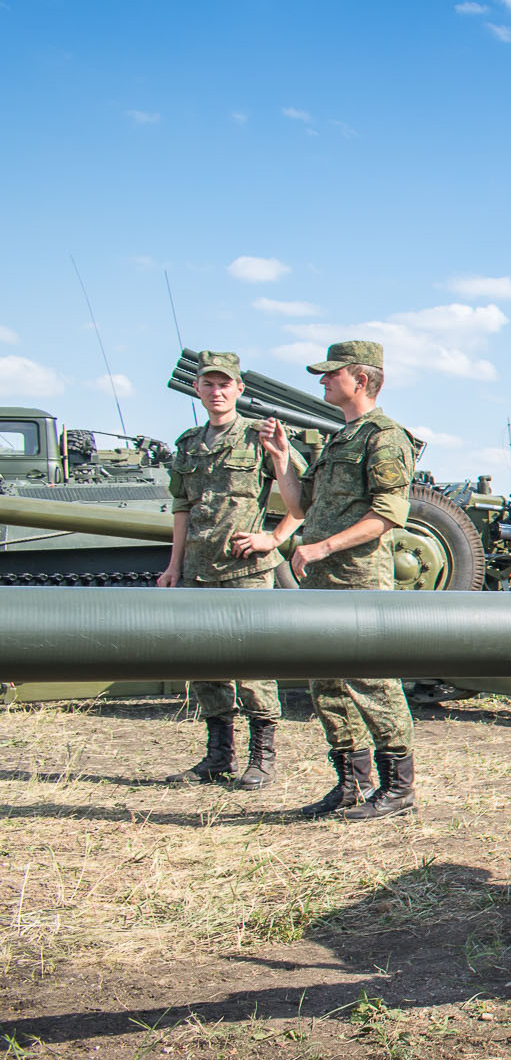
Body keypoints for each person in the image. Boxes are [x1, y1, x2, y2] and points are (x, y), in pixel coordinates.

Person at [245, 340, 420, 820]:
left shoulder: (384, 437)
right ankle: (351, 783)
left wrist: (322, 547)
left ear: (360, 380)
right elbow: (301, 506)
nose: (322, 381)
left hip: (357, 579)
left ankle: (398, 788)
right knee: (327, 681)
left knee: (370, 677)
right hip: (323, 580)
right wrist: (281, 457)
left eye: (331, 373)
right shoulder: (341, 438)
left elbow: (388, 514)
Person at [158, 350, 302, 790]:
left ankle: (262, 758)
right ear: (197, 389)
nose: (216, 392)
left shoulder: (260, 436)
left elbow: (300, 498)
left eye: (225, 384)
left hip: (245, 571)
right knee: (205, 664)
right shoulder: (188, 444)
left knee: (251, 663)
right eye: (208, 384)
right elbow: (182, 509)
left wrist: (273, 539)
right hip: (197, 571)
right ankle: (218, 756)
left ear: (239, 389)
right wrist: (173, 565)